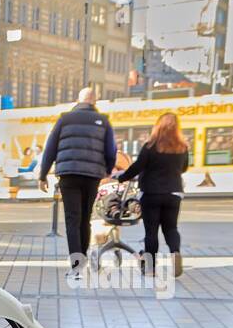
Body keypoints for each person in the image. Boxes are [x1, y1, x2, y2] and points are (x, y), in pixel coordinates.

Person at [38, 87, 117, 280]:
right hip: (92, 175)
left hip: (68, 174)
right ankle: (81, 260)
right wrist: (107, 169)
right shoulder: (103, 121)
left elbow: (50, 147)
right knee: (85, 218)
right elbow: (111, 150)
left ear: (77, 100)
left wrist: (43, 175)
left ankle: (76, 266)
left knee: (72, 219)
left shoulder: (65, 118)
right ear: (94, 102)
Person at [115, 112, 189, 279]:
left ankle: (150, 269)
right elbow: (184, 168)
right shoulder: (182, 147)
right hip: (174, 193)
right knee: (171, 228)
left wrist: (121, 178)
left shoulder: (150, 146)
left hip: (151, 193)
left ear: (158, 126)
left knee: (151, 232)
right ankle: (175, 252)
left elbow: (138, 166)